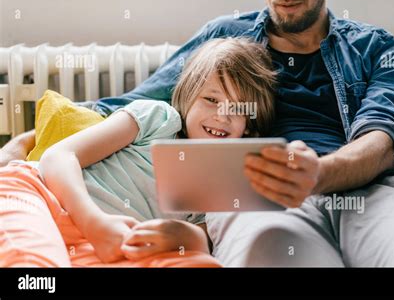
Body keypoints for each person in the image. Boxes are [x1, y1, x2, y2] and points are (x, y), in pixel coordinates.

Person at [1, 0, 394, 266]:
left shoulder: (376, 47)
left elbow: (385, 137)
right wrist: (37, 136)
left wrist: (319, 174)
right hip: (249, 192)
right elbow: (142, 100)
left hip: (367, 188)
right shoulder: (224, 37)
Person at [0, 38, 277, 266]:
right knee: (31, 266)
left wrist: (189, 237)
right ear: (188, 98)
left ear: (250, 126)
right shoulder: (159, 119)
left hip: (114, 246)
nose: (221, 115)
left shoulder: (226, 191)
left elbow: (207, 241)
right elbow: (57, 157)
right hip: (44, 200)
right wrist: (94, 224)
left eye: (236, 108)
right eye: (211, 99)